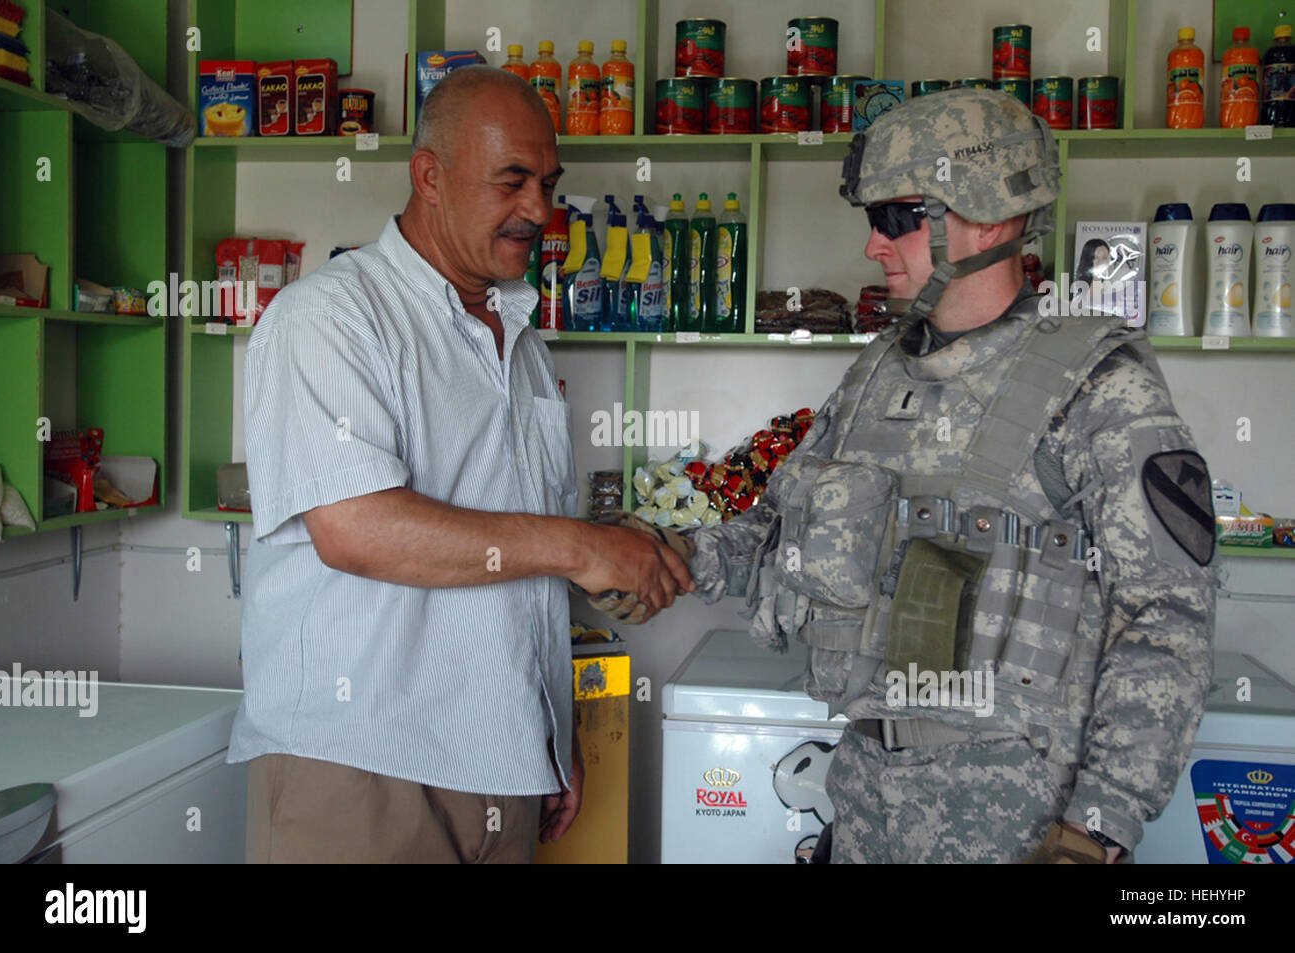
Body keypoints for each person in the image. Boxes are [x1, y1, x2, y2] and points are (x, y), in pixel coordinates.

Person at [611, 87, 1218, 863]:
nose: (874, 246)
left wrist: (1095, 830)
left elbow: (1165, 621)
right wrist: (662, 557)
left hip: (1021, 826)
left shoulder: (1099, 387)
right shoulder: (872, 377)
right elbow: (774, 537)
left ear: (991, 218)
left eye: (898, 217)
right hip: (869, 810)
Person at [227, 66, 693, 864]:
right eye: (511, 180)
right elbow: (357, 529)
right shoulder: (332, 317)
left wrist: (548, 728)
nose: (540, 211)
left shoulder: (521, 337)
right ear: (429, 176)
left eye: (548, 183)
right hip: (361, 775)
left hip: (503, 767)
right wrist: (585, 546)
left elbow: (514, 560)